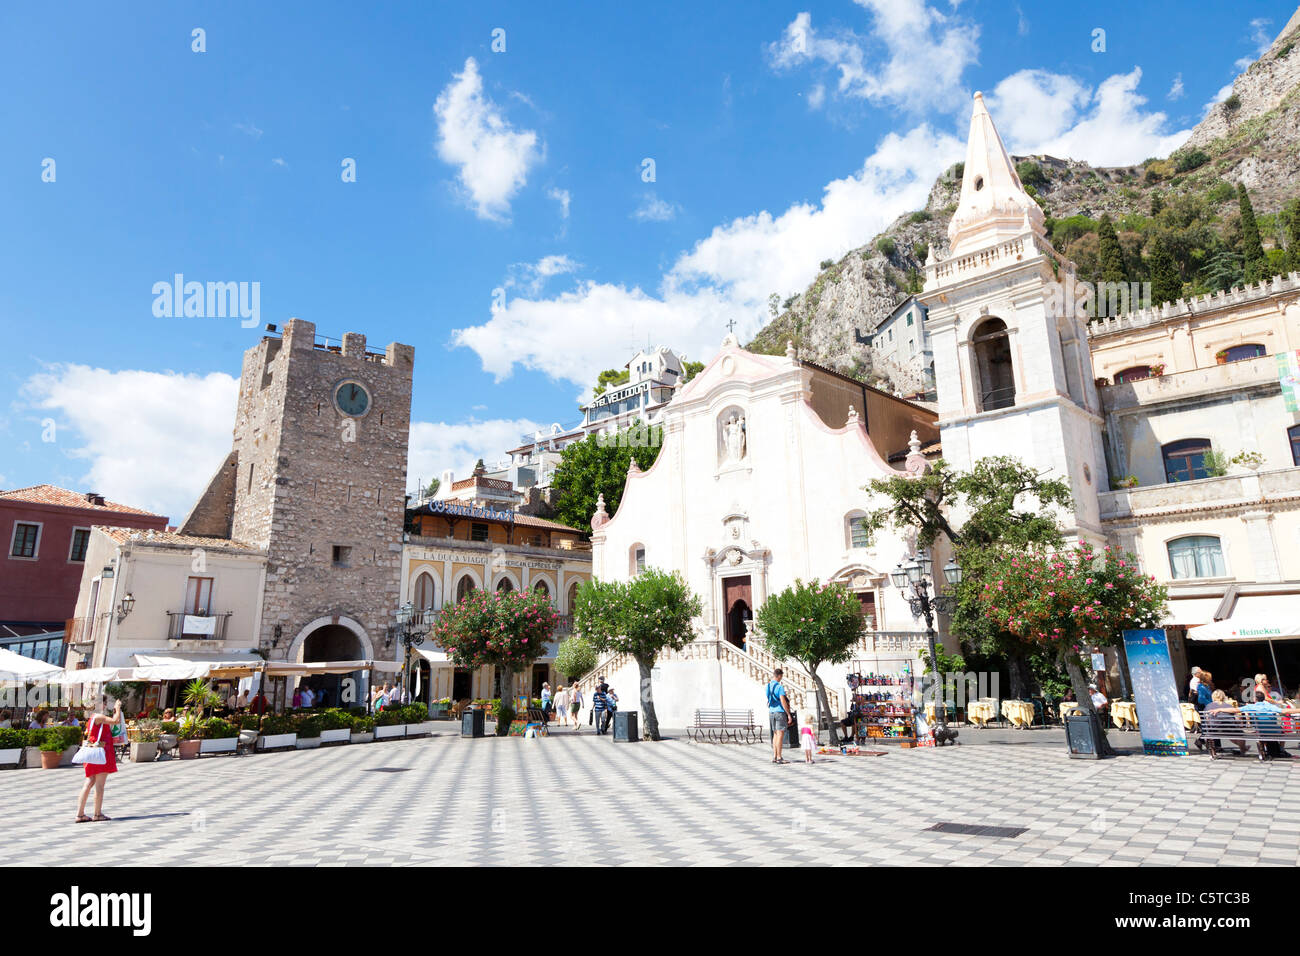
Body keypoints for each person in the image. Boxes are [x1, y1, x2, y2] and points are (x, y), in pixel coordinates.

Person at [74, 698, 121, 823]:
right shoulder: (99, 716)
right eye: (103, 703)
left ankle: (80, 814)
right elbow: (116, 721)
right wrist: (118, 708)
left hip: (92, 751)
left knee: (89, 782)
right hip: (100, 753)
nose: (105, 705)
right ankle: (97, 813)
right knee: (99, 785)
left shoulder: (92, 718)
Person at [1200, 689, 1249, 756]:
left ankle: (1213, 752)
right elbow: (1237, 718)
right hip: (1230, 730)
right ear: (1223, 697)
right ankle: (1243, 750)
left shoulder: (1208, 706)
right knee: (1239, 733)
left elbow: (1207, 720)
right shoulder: (1228, 706)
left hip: (1214, 730)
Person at [766, 668, 794, 764]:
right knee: (780, 735)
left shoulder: (768, 686)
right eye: (781, 677)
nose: (781, 679)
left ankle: (774, 756)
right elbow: (783, 701)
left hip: (771, 712)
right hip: (779, 712)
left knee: (775, 734)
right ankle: (779, 757)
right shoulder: (779, 687)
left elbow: (768, 699)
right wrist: (788, 714)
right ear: (778, 676)